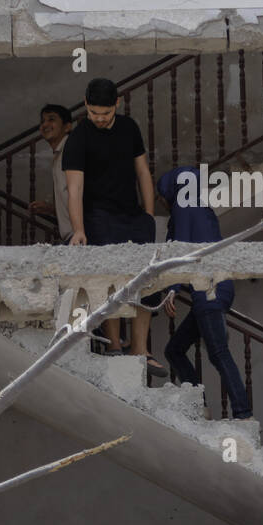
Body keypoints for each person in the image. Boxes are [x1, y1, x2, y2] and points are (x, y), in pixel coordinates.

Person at [62, 77, 166, 376]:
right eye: (94, 112)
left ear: (116, 105)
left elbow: (142, 172)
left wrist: (148, 214)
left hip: (133, 215)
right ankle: (115, 345)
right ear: (86, 106)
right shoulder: (78, 138)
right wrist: (79, 229)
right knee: (112, 279)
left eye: (105, 113)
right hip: (98, 215)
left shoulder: (129, 128)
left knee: (148, 280)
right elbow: (74, 189)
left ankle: (141, 349)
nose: (99, 118)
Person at [156, 166, 252, 420]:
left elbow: (182, 249)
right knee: (174, 349)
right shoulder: (202, 208)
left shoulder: (184, 208)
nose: (161, 201)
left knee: (219, 352)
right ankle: (200, 405)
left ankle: (243, 413)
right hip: (215, 288)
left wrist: (173, 289)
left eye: (162, 195)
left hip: (208, 289)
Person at [28, 104, 72, 241]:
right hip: (73, 235)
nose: (45, 124)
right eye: (43, 121)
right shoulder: (59, 154)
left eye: (51, 119)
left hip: (81, 234)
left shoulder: (71, 150)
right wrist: (52, 209)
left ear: (67, 127)